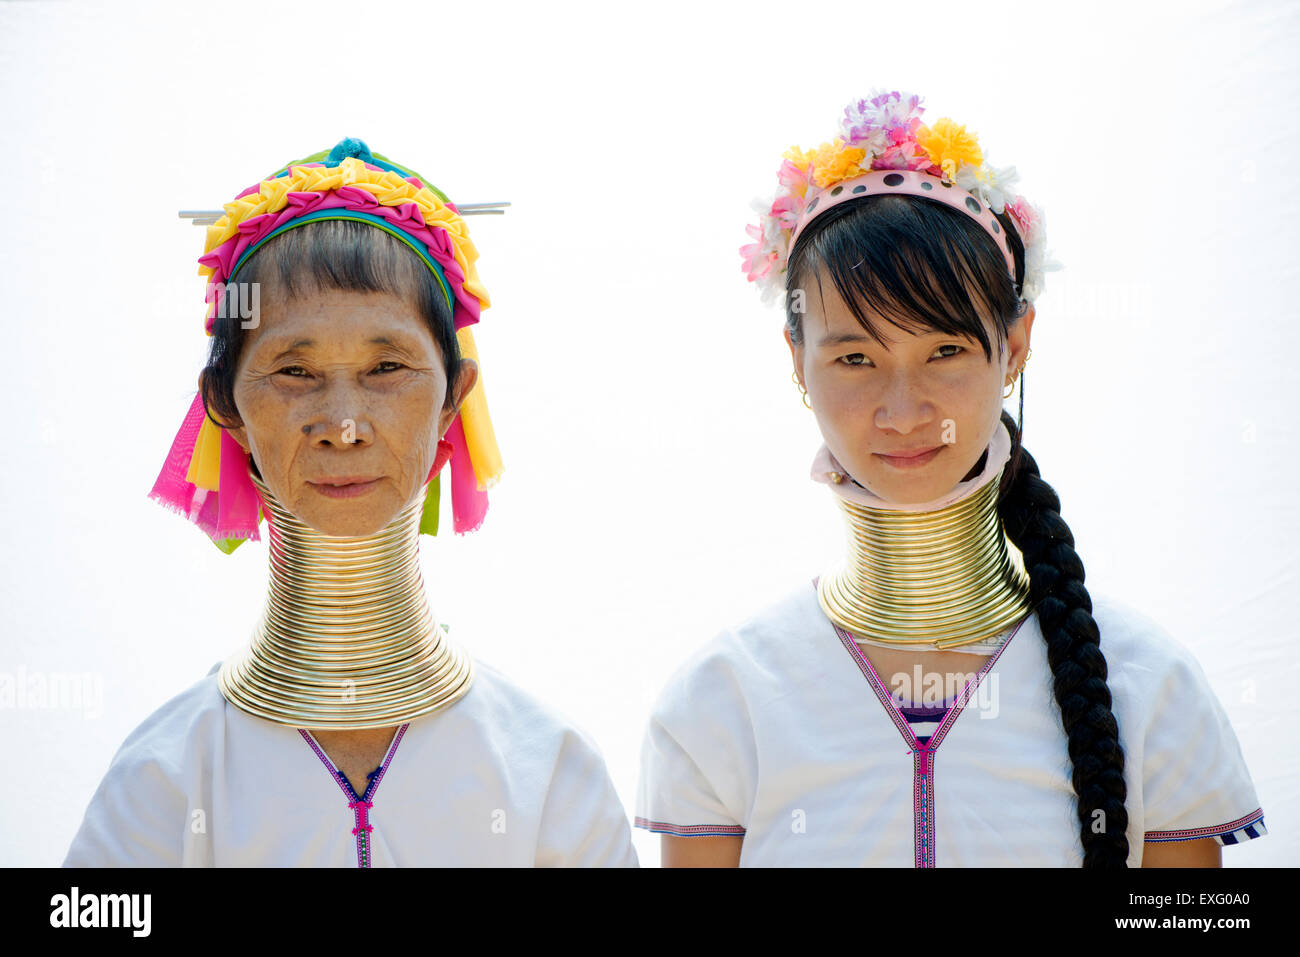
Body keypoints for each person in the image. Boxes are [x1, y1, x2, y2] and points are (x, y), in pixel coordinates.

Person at [635, 90, 1267, 867]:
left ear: (1017, 343)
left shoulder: (1150, 688)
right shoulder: (723, 702)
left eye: (944, 352)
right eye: (855, 357)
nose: (904, 411)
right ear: (796, 361)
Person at [63, 138, 637, 867]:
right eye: (294, 370)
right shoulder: (163, 785)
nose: (343, 424)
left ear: (454, 399)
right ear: (226, 407)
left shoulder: (551, 776)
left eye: (388, 367)